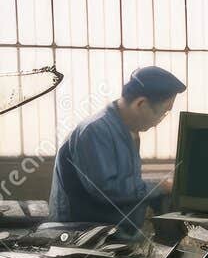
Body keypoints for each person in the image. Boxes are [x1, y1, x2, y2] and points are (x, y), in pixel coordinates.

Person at [50, 65, 185, 236]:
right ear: (141, 104)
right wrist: (161, 186)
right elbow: (107, 190)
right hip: (82, 236)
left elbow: (127, 183)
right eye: (163, 113)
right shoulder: (95, 131)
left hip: (112, 233)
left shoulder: (127, 130)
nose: (160, 121)